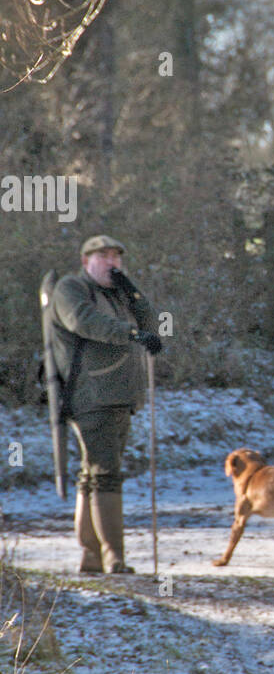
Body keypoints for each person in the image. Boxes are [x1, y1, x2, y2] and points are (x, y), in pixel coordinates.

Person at [48, 235, 163, 574]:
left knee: (91, 476)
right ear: (86, 261)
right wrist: (130, 334)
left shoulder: (119, 294)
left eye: (116, 257)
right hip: (89, 396)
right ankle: (115, 557)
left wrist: (133, 291)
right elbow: (85, 322)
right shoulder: (70, 289)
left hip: (120, 397)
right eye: (104, 256)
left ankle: (92, 557)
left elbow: (151, 325)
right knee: (106, 474)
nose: (112, 262)